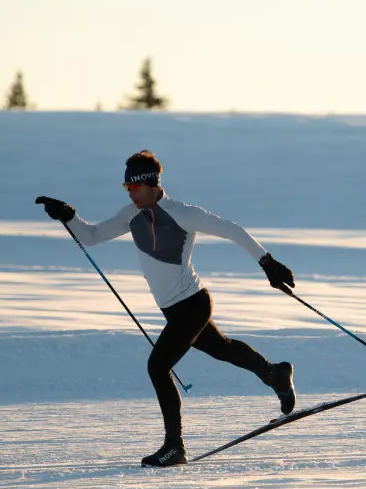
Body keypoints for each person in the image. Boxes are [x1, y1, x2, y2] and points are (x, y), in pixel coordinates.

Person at [36, 150, 296, 468]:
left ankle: (174, 447)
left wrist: (267, 263)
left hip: (193, 304)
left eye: (133, 187)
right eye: (126, 188)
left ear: (150, 183)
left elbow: (231, 229)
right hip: (175, 309)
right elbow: (92, 237)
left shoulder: (181, 213)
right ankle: (275, 375)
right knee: (223, 349)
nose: (130, 193)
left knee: (158, 367)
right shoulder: (130, 215)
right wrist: (67, 215)